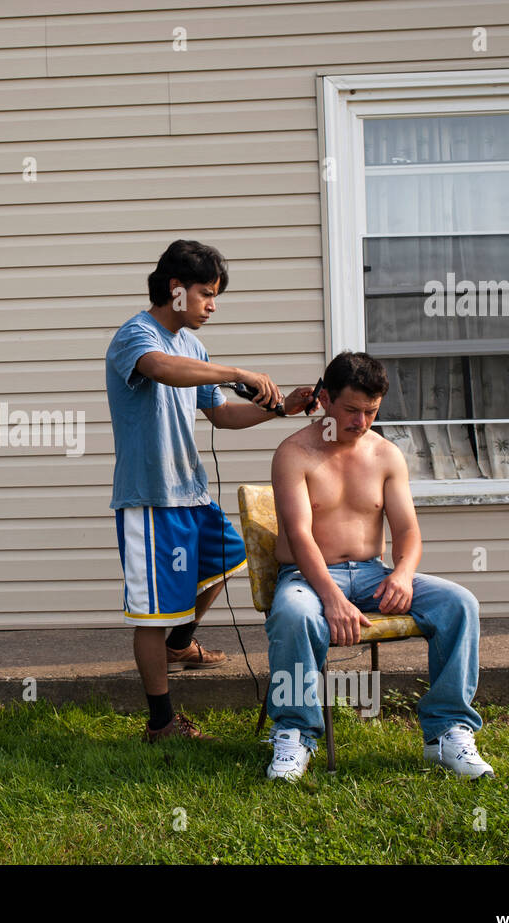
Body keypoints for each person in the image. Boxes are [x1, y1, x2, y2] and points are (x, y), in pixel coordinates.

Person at [106, 240, 313, 742]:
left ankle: (180, 644)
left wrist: (281, 407)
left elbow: (221, 415)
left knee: (230, 557)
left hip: (192, 493)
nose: (212, 305)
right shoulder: (135, 335)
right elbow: (160, 370)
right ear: (176, 291)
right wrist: (237, 371)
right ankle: (161, 723)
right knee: (153, 614)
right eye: (206, 293)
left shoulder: (194, 347)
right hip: (151, 498)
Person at [265, 351, 493, 780]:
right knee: (294, 615)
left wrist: (403, 574)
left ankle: (447, 732)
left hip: (372, 573)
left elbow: (408, 531)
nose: (361, 422)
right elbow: (299, 537)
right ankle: (295, 734)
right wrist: (332, 599)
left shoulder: (386, 455)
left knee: (459, 603)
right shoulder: (294, 453)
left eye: (371, 412)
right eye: (351, 410)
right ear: (325, 398)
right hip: (308, 576)